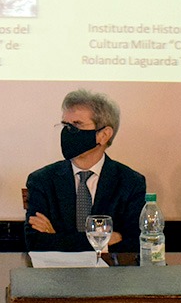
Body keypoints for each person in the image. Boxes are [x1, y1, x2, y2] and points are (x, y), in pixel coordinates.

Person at [25, 90, 147, 253]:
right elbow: (36, 242)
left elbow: (134, 243)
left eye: (76, 125)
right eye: (65, 125)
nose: (67, 133)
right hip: (57, 277)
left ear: (104, 135)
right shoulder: (42, 180)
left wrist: (58, 237)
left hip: (111, 276)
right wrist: (105, 240)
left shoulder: (130, 182)